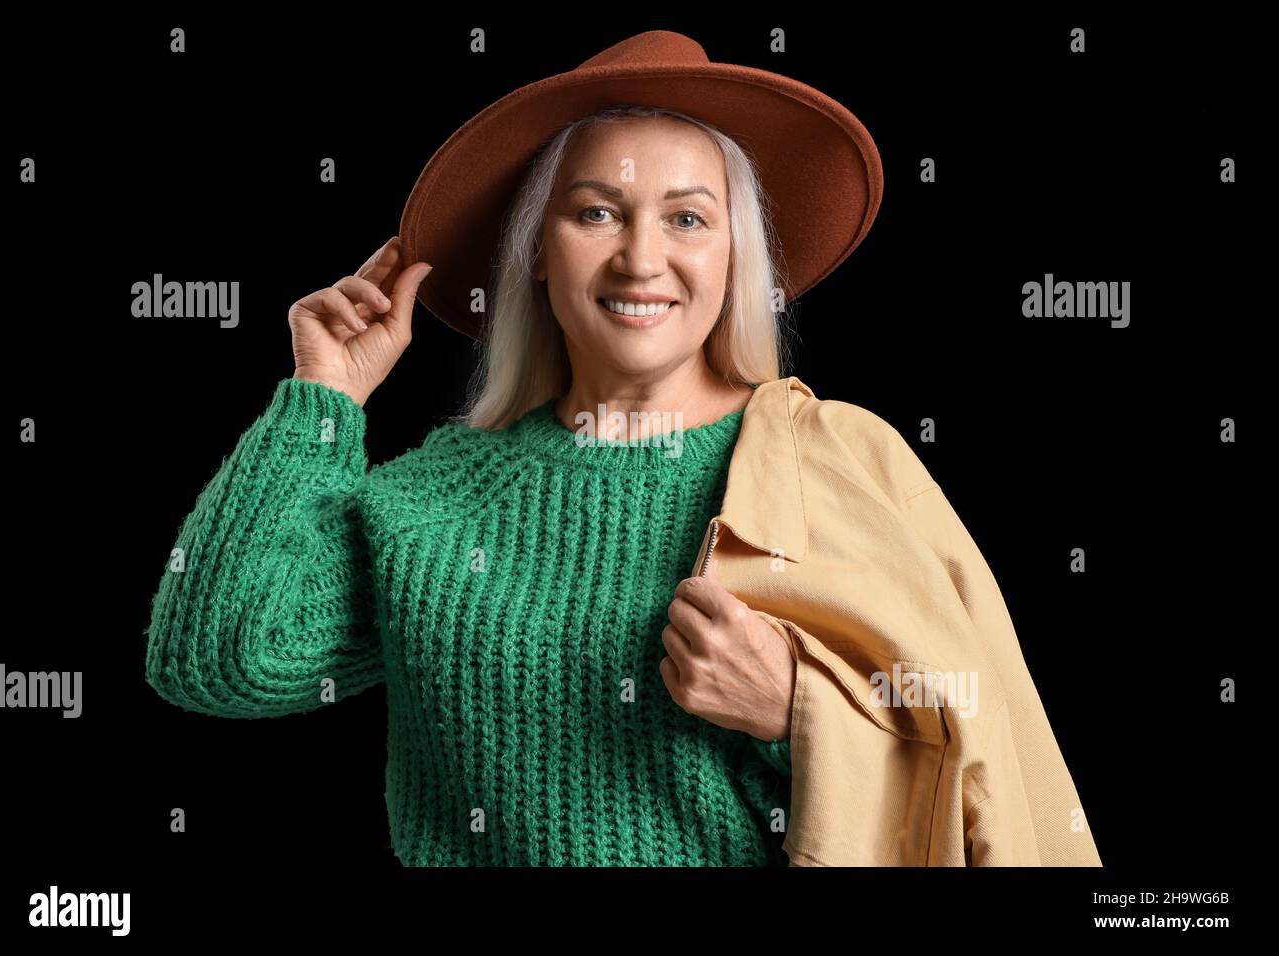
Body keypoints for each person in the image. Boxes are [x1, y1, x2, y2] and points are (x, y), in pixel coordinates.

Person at [145, 30, 885, 866]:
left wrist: (793, 715)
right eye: (596, 212)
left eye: (687, 218)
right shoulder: (440, 495)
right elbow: (217, 659)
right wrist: (324, 398)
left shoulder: (825, 468)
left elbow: (959, 759)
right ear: (536, 247)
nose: (641, 258)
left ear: (735, 255)